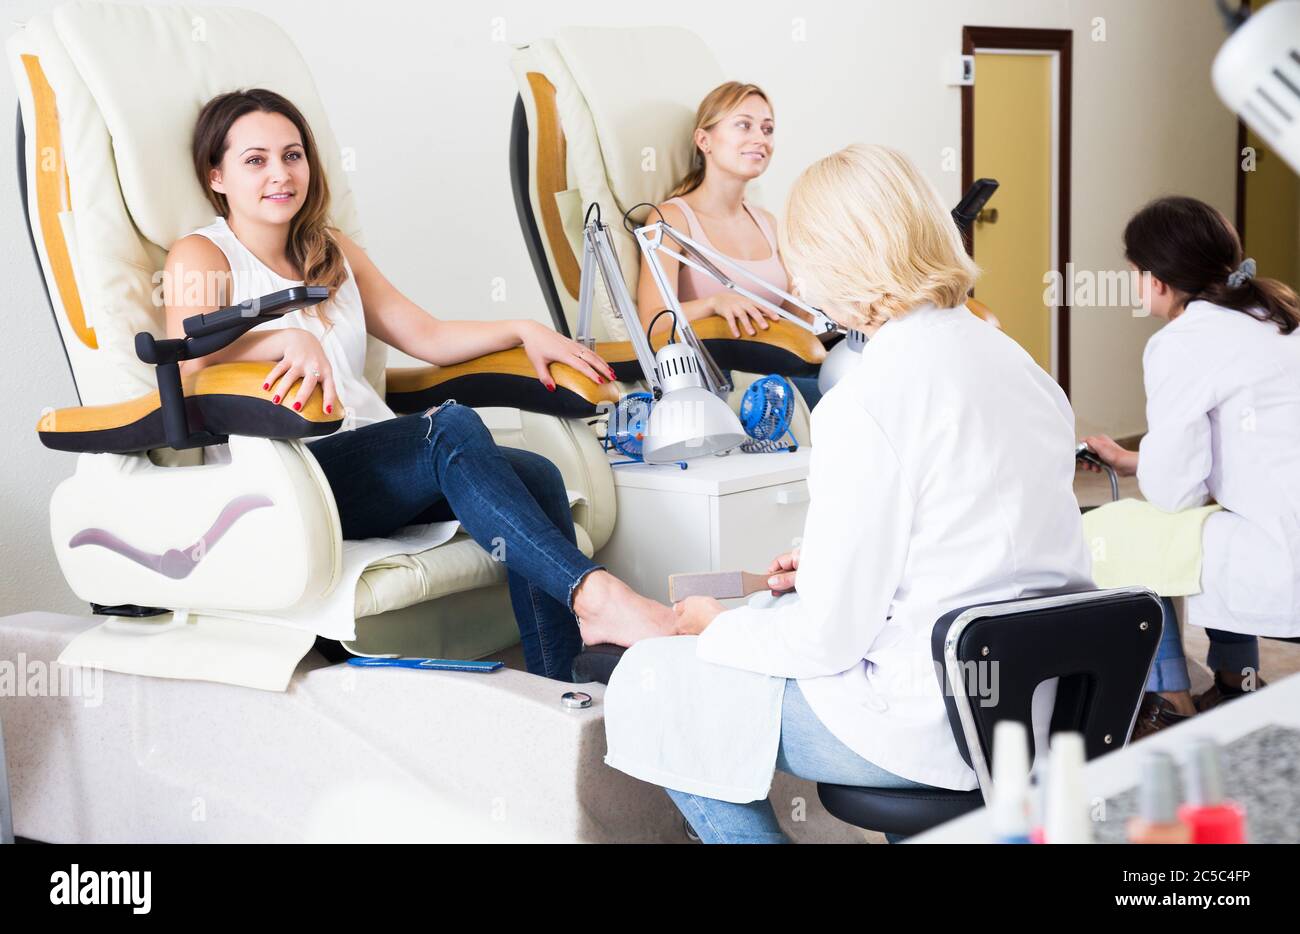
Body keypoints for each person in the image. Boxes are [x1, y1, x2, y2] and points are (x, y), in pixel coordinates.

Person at [605, 144, 1093, 843]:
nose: (796, 276)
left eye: (800, 256)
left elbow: (826, 639)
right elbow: (979, 532)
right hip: (1050, 704)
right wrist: (833, 566)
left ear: (836, 260)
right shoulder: (1020, 365)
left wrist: (719, 626)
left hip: (933, 728)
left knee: (658, 686)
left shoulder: (864, 400)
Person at [165, 88, 677, 680]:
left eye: (293, 155)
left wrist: (521, 328)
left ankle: (556, 680)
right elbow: (186, 368)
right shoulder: (201, 255)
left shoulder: (330, 251)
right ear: (217, 175)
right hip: (292, 477)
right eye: (255, 160)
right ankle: (595, 599)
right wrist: (280, 339)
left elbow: (427, 335)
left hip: (371, 461)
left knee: (537, 474)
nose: (281, 173)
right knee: (450, 427)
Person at [1081, 196, 1300, 735]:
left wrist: (1149, 469)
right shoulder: (1277, 316)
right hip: (1282, 527)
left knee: (1117, 531)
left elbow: (1175, 493)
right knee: (1212, 521)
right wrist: (1137, 458)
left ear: (1154, 279)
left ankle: (1168, 702)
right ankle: (1235, 684)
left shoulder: (1180, 344)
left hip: (1280, 553)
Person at [635, 81, 828, 408]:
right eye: (744, 125)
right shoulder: (670, 220)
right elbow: (653, 322)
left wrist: (814, 294)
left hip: (778, 373)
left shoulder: (768, 223)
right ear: (704, 140)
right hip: (718, 383)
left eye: (767, 129)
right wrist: (714, 304)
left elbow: (799, 325)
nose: (760, 139)